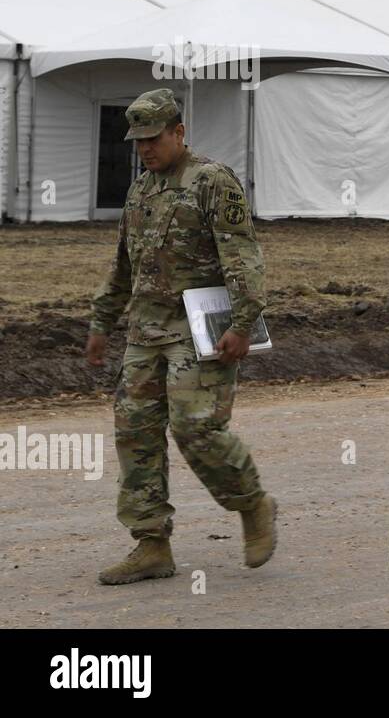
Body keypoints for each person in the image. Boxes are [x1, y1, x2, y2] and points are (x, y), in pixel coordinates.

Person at [87, 88, 275, 585]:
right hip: (145, 331)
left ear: (179, 132)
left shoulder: (213, 181)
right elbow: (122, 265)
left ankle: (251, 503)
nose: (145, 149)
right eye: (138, 141)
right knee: (135, 434)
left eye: (154, 138)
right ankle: (152, 545)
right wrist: (101, 322)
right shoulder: (140, 190)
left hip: (200, 329)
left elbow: (243, 257)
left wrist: (242, 322)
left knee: (196, 428)